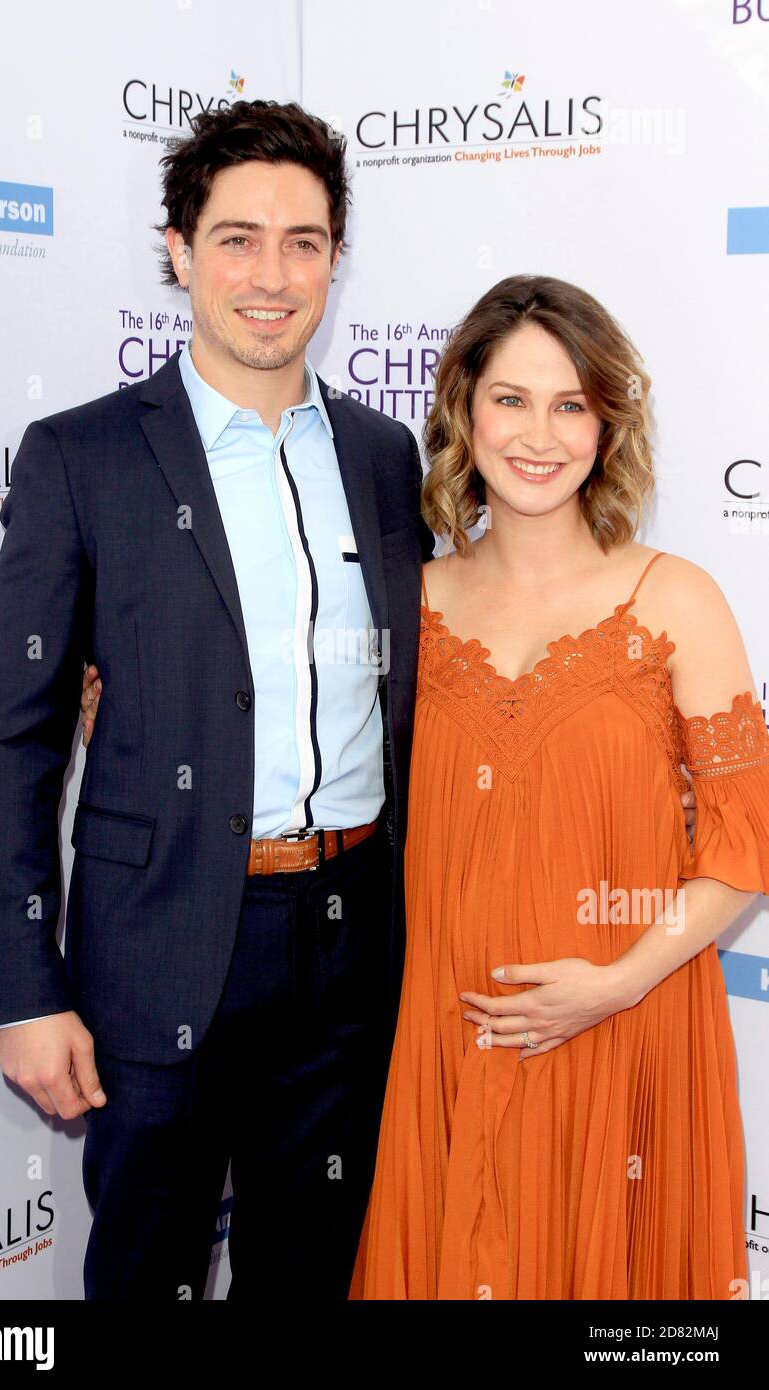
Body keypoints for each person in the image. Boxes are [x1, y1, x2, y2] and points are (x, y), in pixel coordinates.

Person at [0, 99, 435, 1302]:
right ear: (177, 251)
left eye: (302, 241)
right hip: (160, 940)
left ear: (335, 257)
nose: (269, 276)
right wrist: (25, 987)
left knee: (311, 1272)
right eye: (235, 238)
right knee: (146, 1273)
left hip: (350, 941)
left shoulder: (387, 459)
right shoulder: (81, 457)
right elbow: (17, 737)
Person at [343, 275, 769, 1299]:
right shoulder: (406, 603)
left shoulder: (672, 599)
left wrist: (614, 981)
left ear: (605, 424)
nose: (538, 434)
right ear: (461, 410)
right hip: (443, 1036)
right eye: (510, 399)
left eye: (569, 403)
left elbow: (740, 847)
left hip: (624, 1031)